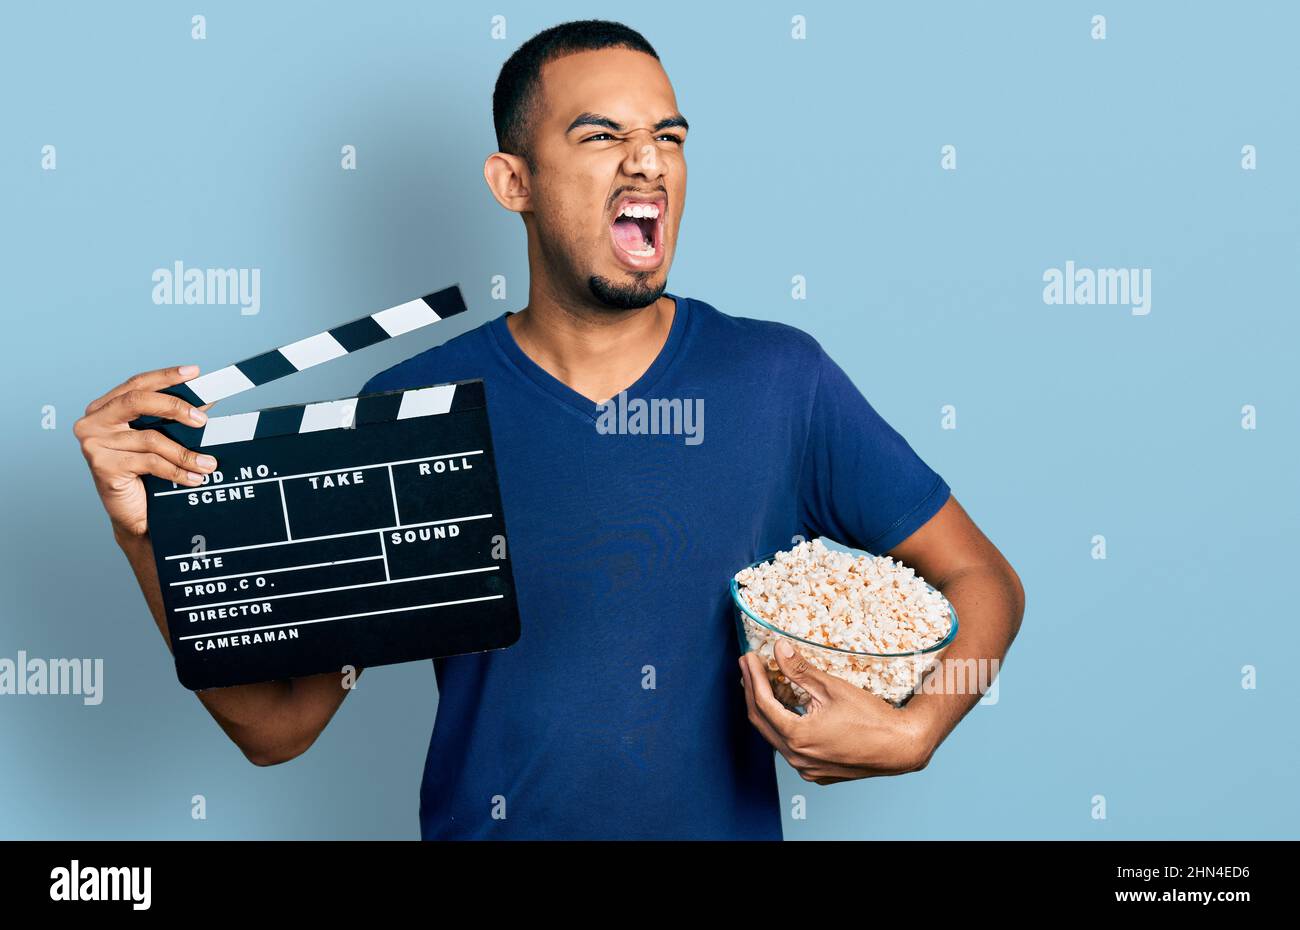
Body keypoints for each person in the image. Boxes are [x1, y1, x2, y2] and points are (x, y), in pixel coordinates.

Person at [75, 19, 1025, 840]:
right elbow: (277, 728)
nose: (647, 160)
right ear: (512, 181)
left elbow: (985, 579)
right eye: (601, 134)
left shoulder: (779, 379)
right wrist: (146, 537)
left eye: (668, 136)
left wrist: (916, 730)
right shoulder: (416, 408)